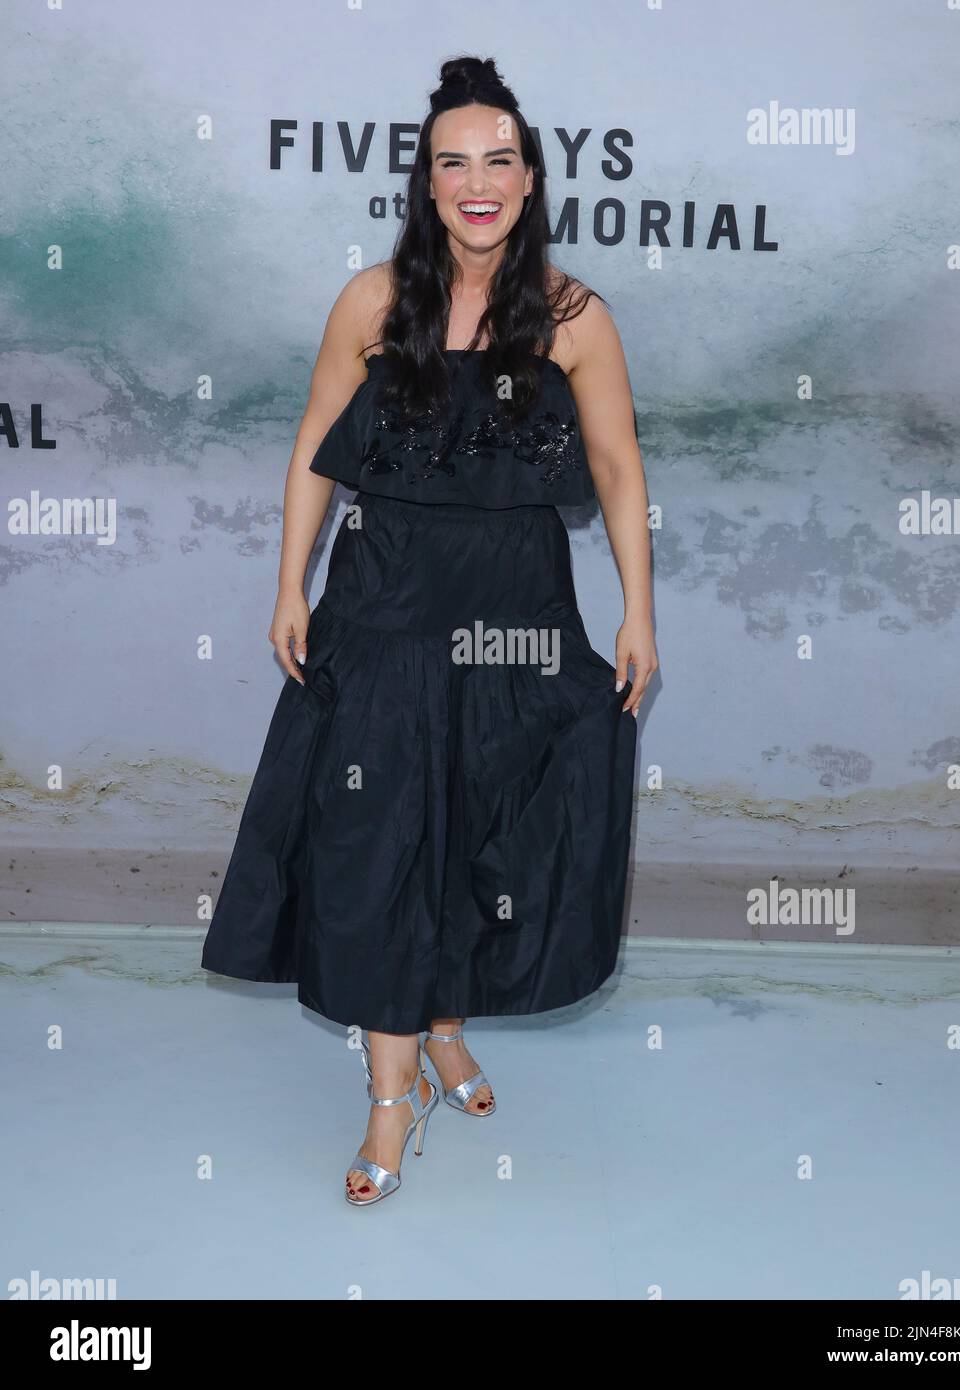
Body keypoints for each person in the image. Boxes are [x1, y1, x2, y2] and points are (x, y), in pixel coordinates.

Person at [200, 54, 657, 1207]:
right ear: (425, 183)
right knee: (383, 836)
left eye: (496, 159)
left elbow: (614, 463)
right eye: (452, 162)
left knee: (483, 830)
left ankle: (444, 1021)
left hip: (516, 613)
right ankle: (391, 1095)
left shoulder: (573, 316)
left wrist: (637, 608)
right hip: (388, 604)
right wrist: (289, 583)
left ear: (528, 177)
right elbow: (315, 440)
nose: (476, 181)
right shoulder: (371, 301)